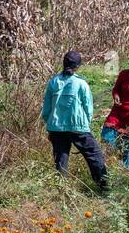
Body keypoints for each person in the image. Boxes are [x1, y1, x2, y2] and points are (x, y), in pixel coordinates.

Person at [42, 50, 108, 192]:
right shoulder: (81, 83)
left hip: (56, 127)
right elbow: (88, 107)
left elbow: (46, 109)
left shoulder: (53, 82)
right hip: (78, 126)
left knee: (61, 158)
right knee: (94, 154)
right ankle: (104, 187)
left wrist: (50, 125)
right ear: (78, 66)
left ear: (64, 63)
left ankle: (61, 189)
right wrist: (86, 124)